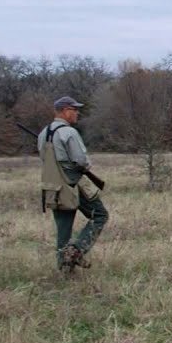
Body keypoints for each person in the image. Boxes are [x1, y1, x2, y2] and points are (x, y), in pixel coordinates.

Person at [38, 96, 109, 272]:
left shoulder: (43, 133)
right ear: (64, 110)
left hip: (53, 187)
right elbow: (81, 161)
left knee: (63, 229)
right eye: (74, 109)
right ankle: (77, 251)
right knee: (100, 215)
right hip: (72, 184)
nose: (77, 113)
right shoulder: (69, 132)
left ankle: (64, 269)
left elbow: (44, 159)